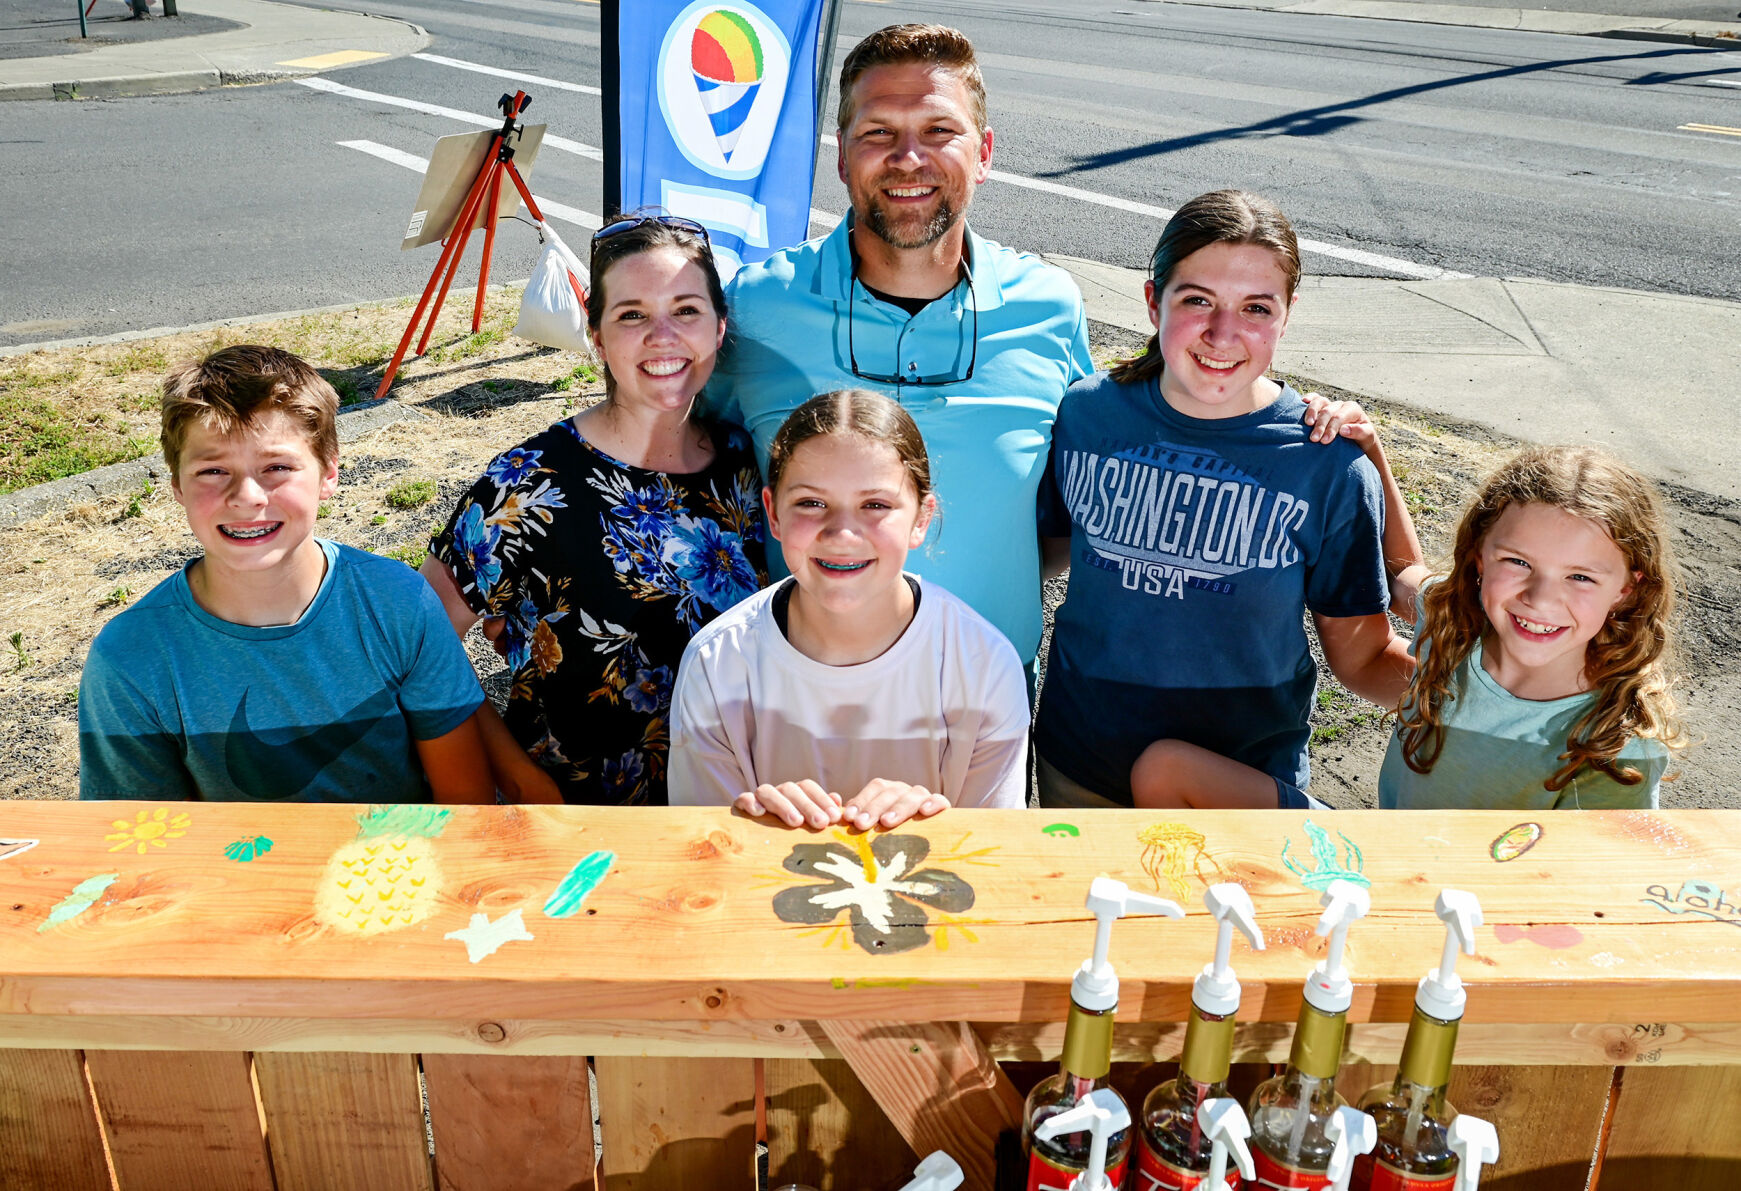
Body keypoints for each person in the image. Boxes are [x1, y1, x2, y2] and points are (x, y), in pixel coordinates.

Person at [705, 23, 1093, 671]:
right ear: (840, 156)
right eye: (877, 132)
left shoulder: (1049, 306)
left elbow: (1070, 497)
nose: (908, 157)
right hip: (796, 698)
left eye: (939, 131)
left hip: (985, 708)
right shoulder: (754, 306)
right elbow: (689, 465)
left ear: (985, 152)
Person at [1034, 190, 1420, 810]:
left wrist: (1511, 693)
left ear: (1287, 315)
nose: (1223, 333)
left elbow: (1363, 658)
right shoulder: (1087, 413)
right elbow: (1038, 555)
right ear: (1153, 300)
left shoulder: (1327, 463)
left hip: (1239, 787)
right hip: (1080, 768)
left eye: (1256, 308)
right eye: (1197, 300)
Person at [423, 215, 767, 806]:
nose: (663, 336)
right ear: (599, 337)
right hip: (577, 824)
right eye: (632, 314)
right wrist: (510, 769)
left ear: (719, 328)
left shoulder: (747, 465)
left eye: (686, 310)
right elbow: (420, 643)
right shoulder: (528, 485)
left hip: (731, 811)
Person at [79, 345, 491, 803]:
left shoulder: (398, 603)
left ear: (328, 473)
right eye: (213, 470)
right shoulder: (131, 656)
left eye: (276, 467)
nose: (247, 496)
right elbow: (140, 838)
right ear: (177, 483)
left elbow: (465, 803)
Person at [669, 390, 1029, 829]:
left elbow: (990, 863)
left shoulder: (984, 667)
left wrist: (931, 828)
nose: (841, 532)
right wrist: (756, 828)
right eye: (811, 503)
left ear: (921, 519)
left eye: (875, 505)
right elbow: (706, 855)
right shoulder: (716, 663)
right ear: (773, 514)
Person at [1380, 445, 1685, 809]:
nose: (1541, 599)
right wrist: (1369, 450)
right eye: (1517, 562)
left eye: (1580, 576)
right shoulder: (1453, 618)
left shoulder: (1616, 744)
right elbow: (1399, 572)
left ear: (1625, 589)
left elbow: (1588, 866)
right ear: (1480, 558)